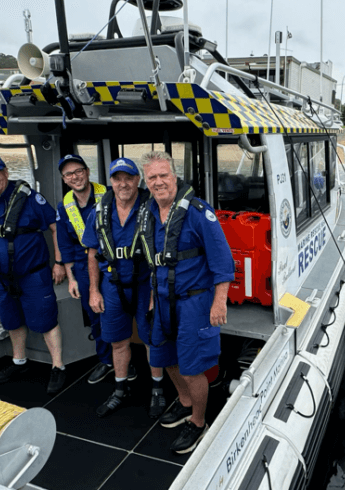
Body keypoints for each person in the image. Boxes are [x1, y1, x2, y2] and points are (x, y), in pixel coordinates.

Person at [138, 150, 234, 455]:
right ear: (146, 181)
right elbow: (156, 263)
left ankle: (198, 420)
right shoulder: (149, 212)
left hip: (195, 303)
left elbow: (223, 261)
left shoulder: (197, 212)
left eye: (163, 175)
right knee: (163, 358)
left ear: (174, 176)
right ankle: (185, 401)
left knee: (193, 368)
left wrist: (219, 302)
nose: (158, 182)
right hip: (163, 301)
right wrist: (153, 298)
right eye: (152, 177)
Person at [0, 152, 68, 394]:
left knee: (46, 320)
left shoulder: (29, 199)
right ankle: (19, 362)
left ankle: (58, 366)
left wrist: (59, 261)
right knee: (11, 320)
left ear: (6, 172)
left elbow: (55, 227)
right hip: (0, 277)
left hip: (34, 273)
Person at [83, 158, 164, 419]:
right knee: (117, 341)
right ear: (111, 182)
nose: (123, 184)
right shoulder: (100, 211)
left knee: (152, 340)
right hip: (112, 285)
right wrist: (94, 291)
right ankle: (120, 389)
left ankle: (157, 389)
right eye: (117, 179)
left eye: (128, 178)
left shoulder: (152, 208)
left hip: (144, 285)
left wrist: (155, 293)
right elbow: (92, 251)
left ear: (137, 181)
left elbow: (162, 251)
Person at [53, 153, 120, 385]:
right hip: (82, 266)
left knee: (119, 312)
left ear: (88, 172)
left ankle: (125, 358)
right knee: (95, 315)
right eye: (69, 174)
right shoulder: (65, 206)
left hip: (114, 263)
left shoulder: (110, 194)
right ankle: (107, 360)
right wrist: (71, 278)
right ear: (64, 179)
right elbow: (65, 245)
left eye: (79, 171)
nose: (75, 177)